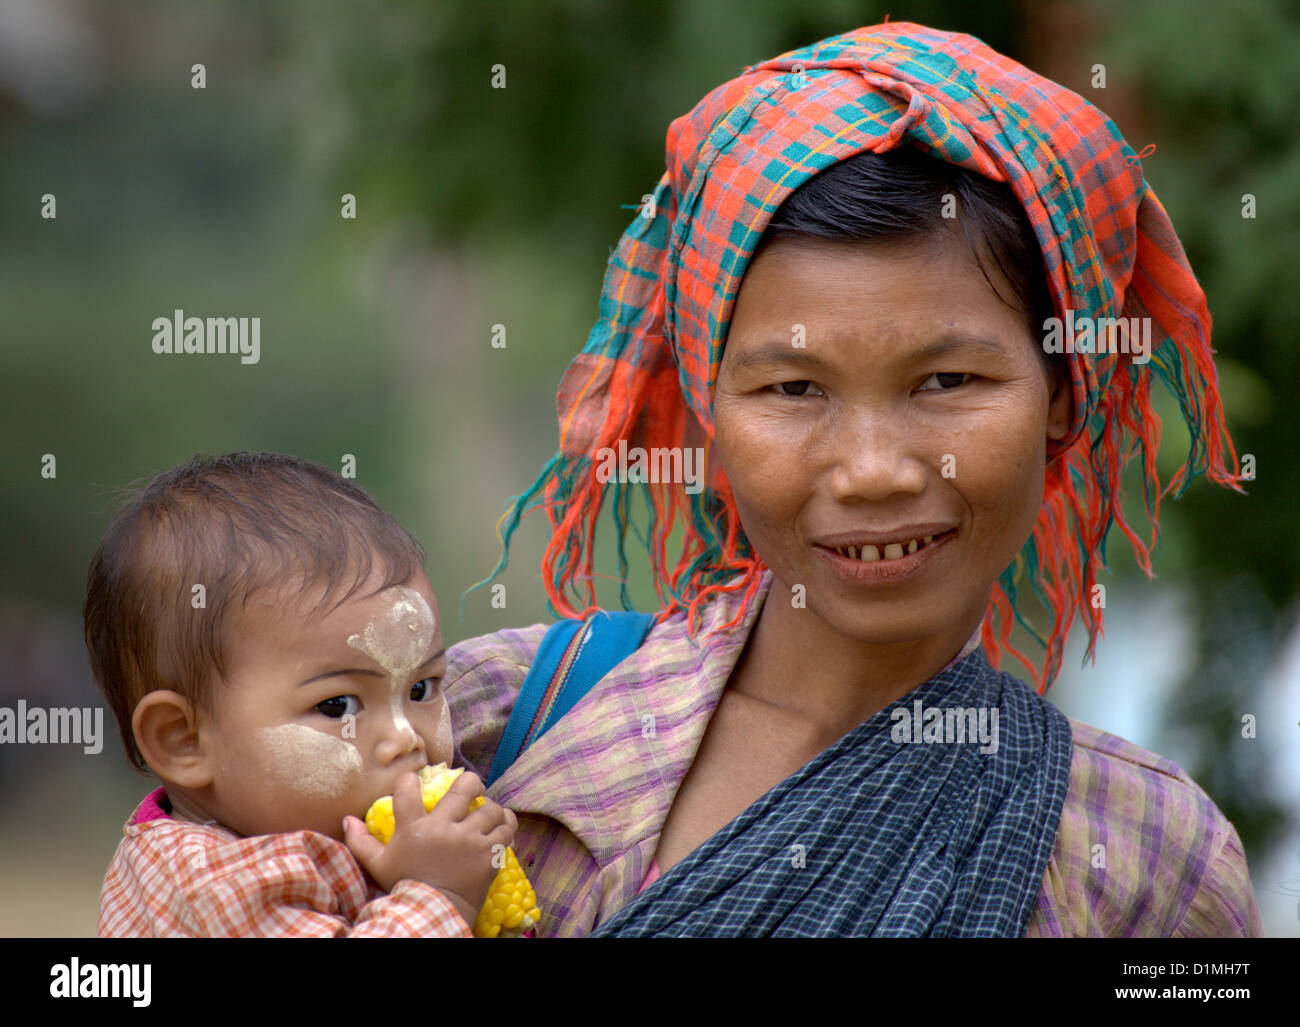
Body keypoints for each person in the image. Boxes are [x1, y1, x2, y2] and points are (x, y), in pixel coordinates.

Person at [447, 22, 1264, 936]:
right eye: (793, 389)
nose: (873, 470)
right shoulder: (487, 728)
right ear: (710, 418)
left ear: (1065, 399)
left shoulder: (1148, 857)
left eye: (948, 381)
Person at [89, 452, 518, 937]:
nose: (407, 739)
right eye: (338, 706)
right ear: (183, 740)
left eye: (420, 689)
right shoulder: (214, 880)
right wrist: (440, 894)